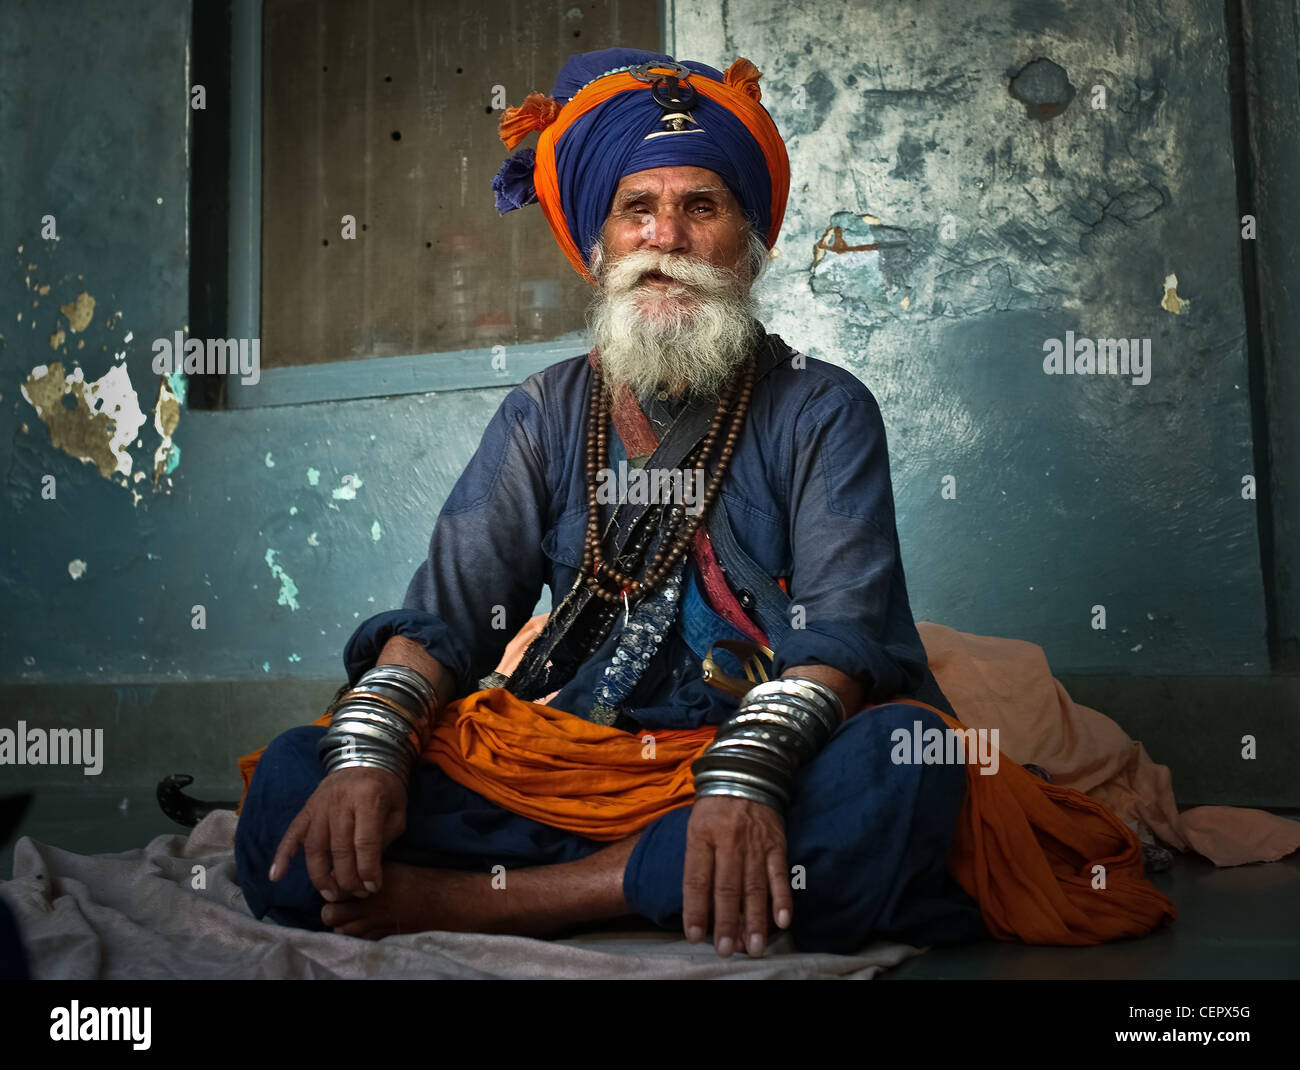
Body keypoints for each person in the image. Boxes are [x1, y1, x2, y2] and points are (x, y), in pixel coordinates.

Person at [234, 48, 1171, 958]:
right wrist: (370, 756)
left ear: (749, 248)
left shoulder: (822, 406)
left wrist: (745, 778)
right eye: (635, 210)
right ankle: (659, 881)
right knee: (292, 782)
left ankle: (501, 903)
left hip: (767, 764)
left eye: (700, 208)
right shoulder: (545, 411)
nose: (665, 239)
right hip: (579, 762)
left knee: (900, 765)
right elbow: (442, 618)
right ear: (598, 247)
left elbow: (848, 642)